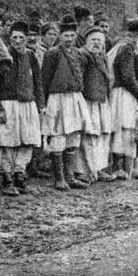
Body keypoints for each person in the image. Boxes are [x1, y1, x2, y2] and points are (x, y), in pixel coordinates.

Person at [0, 21, 43, 196]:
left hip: (28, 104)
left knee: (27, 140)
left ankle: (20, 174)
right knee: (8, 141)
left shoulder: (31, 57)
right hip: (8, 104)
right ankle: (7, 178)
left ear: (27, 39)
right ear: (10, 38)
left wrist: (40, 106)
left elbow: (38, 83)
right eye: (15, 37)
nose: (18, 41)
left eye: (21, 37)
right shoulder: (2, 55)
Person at [40, 16, 90, 191]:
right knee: (58, 135)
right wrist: (44, 102)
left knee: (73, 135)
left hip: (74, 97)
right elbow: (44, 80)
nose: (69, 39)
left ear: (76, 35)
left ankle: (70, 176)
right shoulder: (52, 54)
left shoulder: (79, 54)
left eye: (72, 35)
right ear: (60, 36)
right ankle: (59, 178)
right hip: (57, 99)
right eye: (65, 36)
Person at [108, 18, 138, 181]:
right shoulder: (126, 48)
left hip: (127, 91)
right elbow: (127, 76)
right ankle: (119, 167)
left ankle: (128, 168)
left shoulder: (129, 45)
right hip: (124, 93)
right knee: (123, 127)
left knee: (128, 128)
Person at [81, 26, 114, 183]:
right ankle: (86, 171)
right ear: (87, 41)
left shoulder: (103, 57)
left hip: (102, 100)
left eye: (99, 40)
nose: (96, 43)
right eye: (93, 40)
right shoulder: (83, 55)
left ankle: (99, 169)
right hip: (88, 100)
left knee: (103, 135)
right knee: (89, 136)